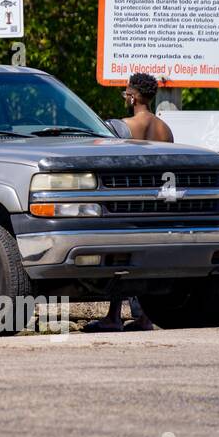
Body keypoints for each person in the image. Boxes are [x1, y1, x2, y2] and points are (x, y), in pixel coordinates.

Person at [83, 72, 173, 332]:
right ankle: (145, 317)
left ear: (133, 97)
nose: (125, 97)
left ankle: (113, 317)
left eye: (126, 93)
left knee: (119, 261)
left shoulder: (122, 127)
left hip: (129, 201)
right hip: (158, 202)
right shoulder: (164, 129)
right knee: (147, 261)